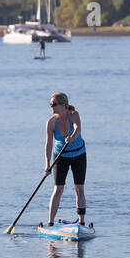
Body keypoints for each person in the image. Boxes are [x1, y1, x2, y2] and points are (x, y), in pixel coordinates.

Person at [45, 92, 87, 227]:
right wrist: (47, 164)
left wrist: (73, 137)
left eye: (54, 105)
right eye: (50, 105)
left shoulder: (73, 114)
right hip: (60, 156)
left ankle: (81, 222)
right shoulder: (51, 123)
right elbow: (49, 144)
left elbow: (77, 128)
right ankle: (50, 223)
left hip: (78, 155)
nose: (52, 108)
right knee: (58, 189)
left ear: (63, 105)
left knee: (79, 188)